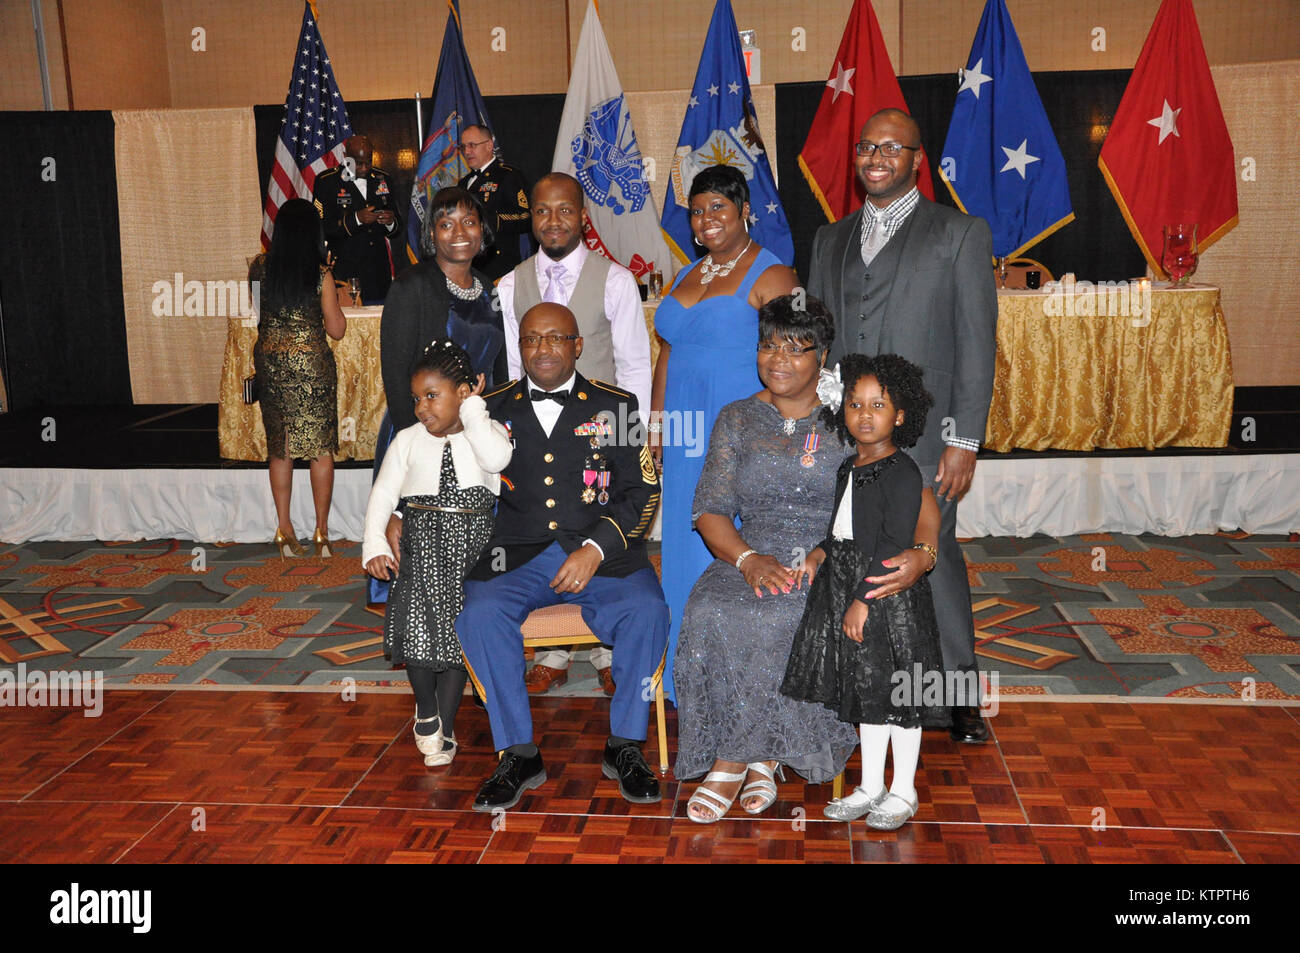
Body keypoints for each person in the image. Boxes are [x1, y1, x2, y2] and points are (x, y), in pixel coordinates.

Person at [674, 296, 940, 824]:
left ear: (823, 357)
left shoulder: (849, 414)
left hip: (835, 556)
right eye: (768, 345)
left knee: (780, 616)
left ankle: (733, 760)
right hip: (748, 553)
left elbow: (916, 492)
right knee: (709, 613)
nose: (779, 359)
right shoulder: (738, 419)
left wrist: (923, 554)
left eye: (797, 350)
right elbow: (709, 510)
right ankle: (759, 755)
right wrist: (748, 559)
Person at [808, 107, 997, 743]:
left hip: (925, 433)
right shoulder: (829, 238)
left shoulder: (959, 233)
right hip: (850, 430)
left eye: (893, 148)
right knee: (856, 550)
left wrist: (963, 439)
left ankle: (959, 692)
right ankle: (860, 679)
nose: (877, 157)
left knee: (930, 553)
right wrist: (818, 410)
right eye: (867, 147)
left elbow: (977, 342)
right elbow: (820, 338)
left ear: (919, 159)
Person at [455, 302, 668, 813]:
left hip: (601, 554)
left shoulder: (615, 406)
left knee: (648, 610)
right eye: (531, 338)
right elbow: (457, 477)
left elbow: (642, 491)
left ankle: (625, 745)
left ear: (577, 346)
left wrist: (595, 548)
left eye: (556, 338)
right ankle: (518, 752)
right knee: (479, 614)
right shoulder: (490, 408)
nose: (542, 348)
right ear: (520, 346)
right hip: (517, 555)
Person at [496, 172, 654, 696]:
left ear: (583, 216)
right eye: (543, 211)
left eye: (565, 210)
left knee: (603, 537)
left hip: (603, 439)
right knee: (544, 529)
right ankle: (555, 650)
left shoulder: (614, 279)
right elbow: (518, 373)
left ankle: (610, 649)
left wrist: (638, 438)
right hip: (542, 436)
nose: (554, 221)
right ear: (532, 217)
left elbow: (634, 366)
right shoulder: (509, 283)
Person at [782, 353, 948, 831]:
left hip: (887, 596)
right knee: (869, 692)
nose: (866, 414)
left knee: (900, 695)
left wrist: (861, 599)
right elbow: (843, 528)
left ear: (900, 415)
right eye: (855, 404)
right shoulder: (849, 467)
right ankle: (872, 784)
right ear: (843, 410)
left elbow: (894, 542)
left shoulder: (902, 471)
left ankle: (904, 790)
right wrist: (819, 552)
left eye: (879, 405)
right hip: (849, 582)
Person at [651, 164, 798, 701]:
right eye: (698, 210)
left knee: (733, 538)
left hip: (738, 428)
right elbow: (667, 350)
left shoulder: (773, 274)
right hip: (684, 431)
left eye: (719, 207)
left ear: (744, 212)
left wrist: (776, 426)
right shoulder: (689, 273)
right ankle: (686, 678)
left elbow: (795, 356)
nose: (706, 219)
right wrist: (658, 419)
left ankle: (740, 680)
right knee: (686, 540)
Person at [362, 339, 512, 768]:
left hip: (472, 549)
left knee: (455, 640)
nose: (422, 408)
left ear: (464, 393)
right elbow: (384, 492)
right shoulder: (407, 439)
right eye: (416, 399)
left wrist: (474, 411)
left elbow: (497, 459)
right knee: (418, 633)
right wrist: (374, 541)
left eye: (433, 396)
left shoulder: (488, 432)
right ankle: (425, 709)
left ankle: (444, 726)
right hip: (421, 548)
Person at [369, 187, 505, 608]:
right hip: (421, 428)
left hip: (474, 431)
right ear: (431, 233)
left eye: (469, 221)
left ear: (482, 230)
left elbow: (496, 362)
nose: (459, 233)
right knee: (420, 548)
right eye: (446, 224)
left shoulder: (487, 287)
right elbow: (395, 372)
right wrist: (421, 441)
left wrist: (494, 424)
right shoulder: (411, 285)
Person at [251, 197, 346, 558]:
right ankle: (321, 532)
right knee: (320, 448)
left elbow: (260, 315)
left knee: (282, 446)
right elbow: (336, 329)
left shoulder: (258, 268)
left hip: (271, 363)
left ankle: (284, 528)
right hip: (310, 364)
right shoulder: (320, 273)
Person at [313, 134, 400, 304]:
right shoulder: (327, 182)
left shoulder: (383, 179)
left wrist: (390, 222)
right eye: (358, 163)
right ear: (346, 157)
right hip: (346, 275)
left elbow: (398, 227)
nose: (364, 168)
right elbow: (321, 228)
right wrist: (356, 219)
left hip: (378, 275)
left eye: (368, 162)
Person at [456, 124, 532, 282]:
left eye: (472, 145)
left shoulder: (508, 176)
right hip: (471, 265)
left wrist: (491, 220)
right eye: (463, 147)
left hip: (500, 266)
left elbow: (526, 217)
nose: (467, 152)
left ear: (489, 145)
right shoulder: (463, 184)